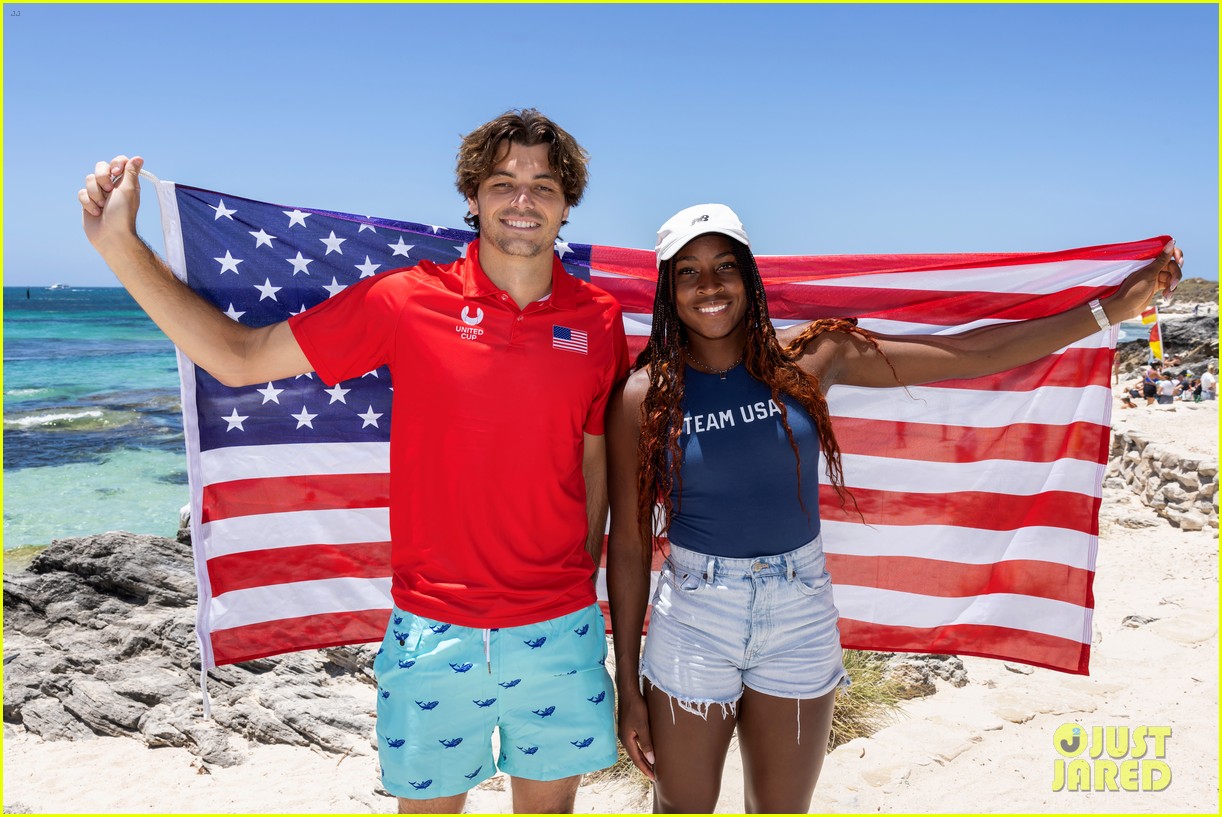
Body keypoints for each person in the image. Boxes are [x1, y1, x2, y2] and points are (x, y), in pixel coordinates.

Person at [79, 109, 628, 814]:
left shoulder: (599, 318)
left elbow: (593, 462)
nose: (523, 200)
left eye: (542, 185)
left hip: (558, 628)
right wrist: (120, 247)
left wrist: (574, 579)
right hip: (435, 629)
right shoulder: (407, 300)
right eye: (503, 182)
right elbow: (238, 357)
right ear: (473, 196)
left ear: (566, 201)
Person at [605, 204, 1182, 814]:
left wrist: (1107, 311)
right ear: (668, 290)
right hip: (694, 617)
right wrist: (628, 686)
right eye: (688, 272)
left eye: (725, 265)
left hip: (798, 616)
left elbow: (972, 353)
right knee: (681, 806)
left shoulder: (811, 357)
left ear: (750, 276)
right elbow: (630, 544)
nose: (710, 285)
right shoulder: (646, 396)